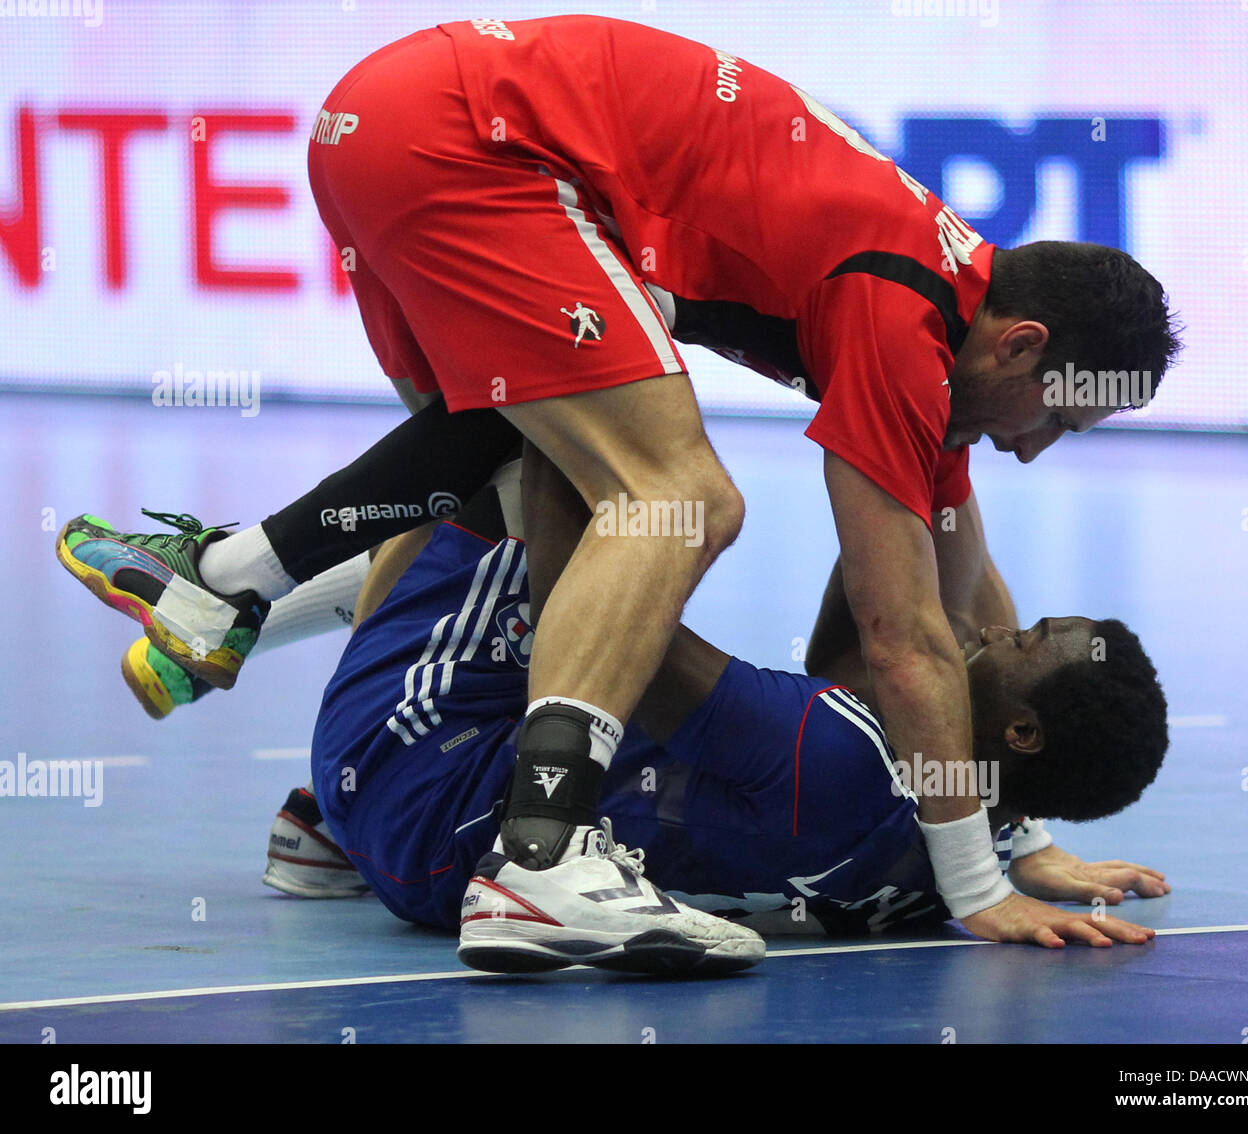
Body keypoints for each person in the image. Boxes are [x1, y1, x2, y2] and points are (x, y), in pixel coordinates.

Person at [56, 14, 1182, 962]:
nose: (1036, 449)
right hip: (476, 141)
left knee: (511, 456)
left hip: (379, 122)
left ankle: (224, 582)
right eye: (1061, 418)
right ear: (1021, 350)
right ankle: (539, 859)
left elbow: (958, 585)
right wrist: (978, 883)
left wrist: (1020, 825)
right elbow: (906, 641)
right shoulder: (900, 317)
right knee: (672, 495)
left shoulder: (933, 302)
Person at [258, 451, 1168, 972]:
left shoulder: (835, 748)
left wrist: (598, 455)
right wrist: (933, 441)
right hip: (435, 869)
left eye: (1025, 639)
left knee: (552, 446)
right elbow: (893, 616)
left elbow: (605, 619)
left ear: (1021, 732)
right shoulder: (936, 860)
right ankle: (322, 830)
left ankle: (237, 596)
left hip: (405, 764)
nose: (993, 631)